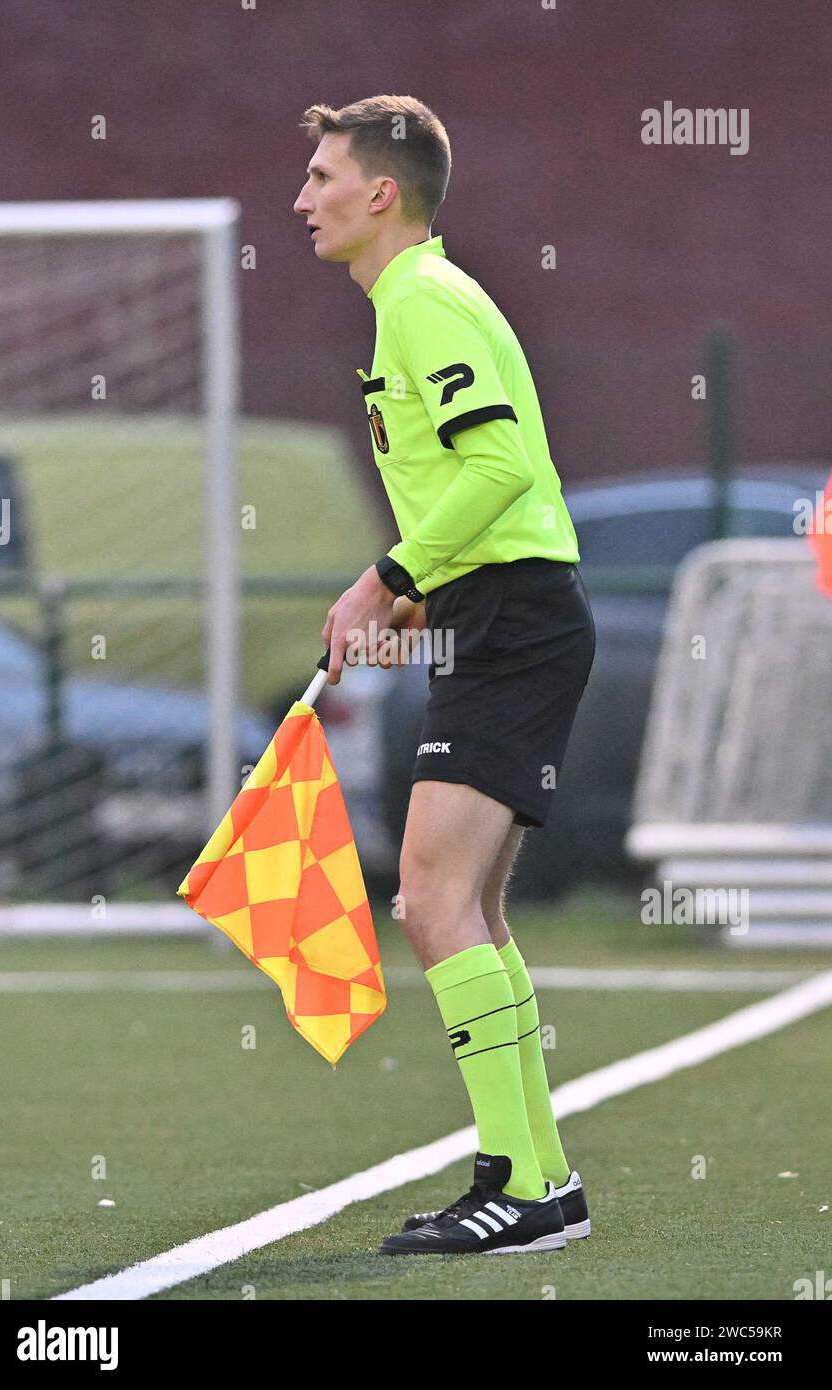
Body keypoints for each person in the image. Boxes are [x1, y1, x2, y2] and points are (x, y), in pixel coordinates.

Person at [294, 95, 595, 1256]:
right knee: (464, 905)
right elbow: (481, 493)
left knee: (426, 899)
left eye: (322, 177)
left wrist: (384, 579)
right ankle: (536, 1180)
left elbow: (505, 465)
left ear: (382, 193)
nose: (301, 199)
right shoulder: (406, 306)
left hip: (515, 618)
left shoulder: (424, 297)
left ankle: (520, 1184)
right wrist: (413, 600)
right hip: (496, 612)